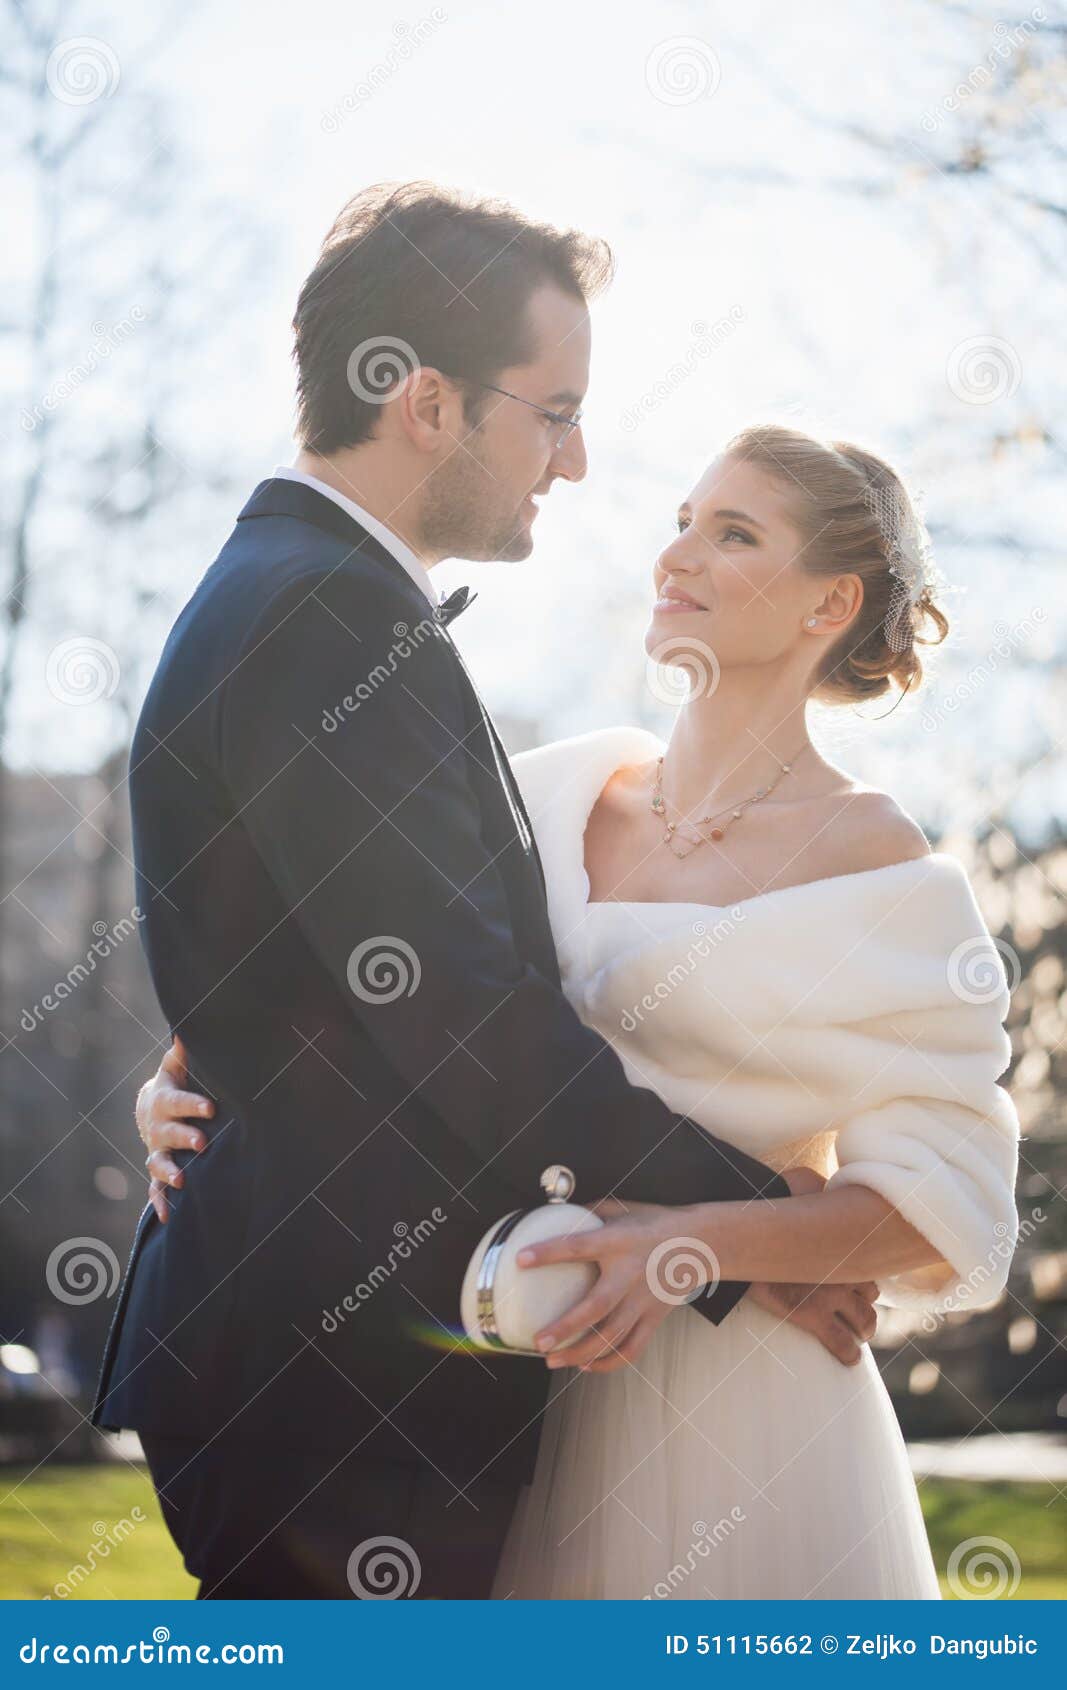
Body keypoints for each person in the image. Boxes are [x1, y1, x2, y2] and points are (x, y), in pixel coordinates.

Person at [90, 185, 871, 1601]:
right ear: (427, 402)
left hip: (336, 1363)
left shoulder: (310, 595)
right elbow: (458, 1010)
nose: (571, 464)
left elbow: (324, 975)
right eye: (553, 410)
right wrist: (750, 1230)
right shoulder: (324, 615)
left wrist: (202, 1055)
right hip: (335, 1383)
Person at [132, 416, 1020, 1597]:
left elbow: (939, 1209)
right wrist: (183, 1071)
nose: (676, 557)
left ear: (827, 607)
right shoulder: (551, 792)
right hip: (501, 1374)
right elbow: (373, 976)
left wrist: (697, 1244)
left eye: (733, 533)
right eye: (680, 525)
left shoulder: (884, 870)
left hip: (743, 1407)